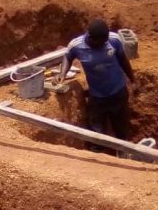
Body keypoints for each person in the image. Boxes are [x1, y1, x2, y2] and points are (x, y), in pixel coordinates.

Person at [58, 18, 136, 149]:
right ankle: (97, 161)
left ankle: (123, 154)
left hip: (118, 93)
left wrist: (133, 80)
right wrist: (62, 74)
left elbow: (123, 60)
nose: (103, 44)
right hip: (97, 97)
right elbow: (67, 56)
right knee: (96, 134)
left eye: (105, 41)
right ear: (91, 38)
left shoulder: (114, 39)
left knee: (121, 130)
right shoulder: (77, 45)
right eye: (100, 42)